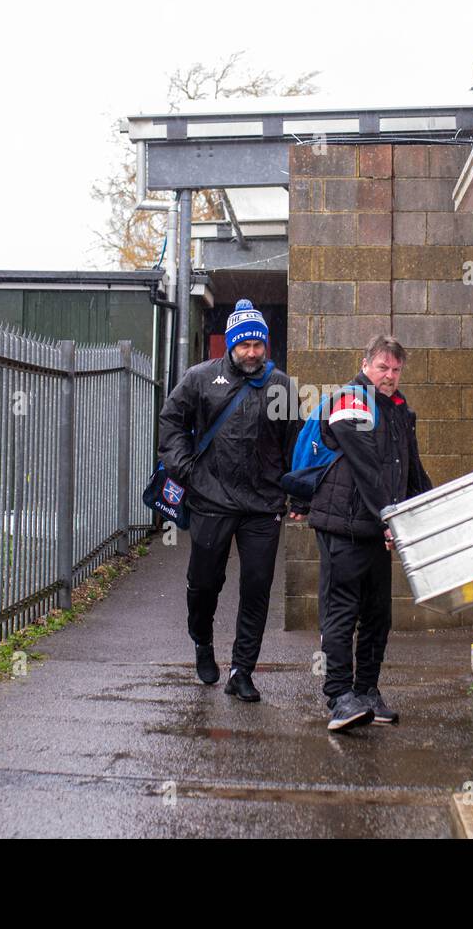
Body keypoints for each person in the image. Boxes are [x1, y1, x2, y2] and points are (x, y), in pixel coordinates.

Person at [157, 300, 298, 702]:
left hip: (261, 506)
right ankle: (202, 641)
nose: (253, 352)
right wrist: (187, 471)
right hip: (211, 500)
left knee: (257, 587)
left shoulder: (281, 386)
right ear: (231, 346)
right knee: (204, 584)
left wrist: (291, 492)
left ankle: (242, 670)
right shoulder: (200, 379)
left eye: (259, 344)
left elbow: (294, 443)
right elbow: (170, 423)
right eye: (245, 345)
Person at [292, 334, 432, 732]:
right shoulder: (349, 401)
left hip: (373, 526)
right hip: (343, 525)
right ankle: (339, 698)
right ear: (365, 363)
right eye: (382, 367)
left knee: (377, 615)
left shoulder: (400, 411)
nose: (389, 376)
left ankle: (367, 692)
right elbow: (368, 470)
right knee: (341, 611)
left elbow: (411, 472)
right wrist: (391, 518)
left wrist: (429, 510)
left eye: (395, 369)